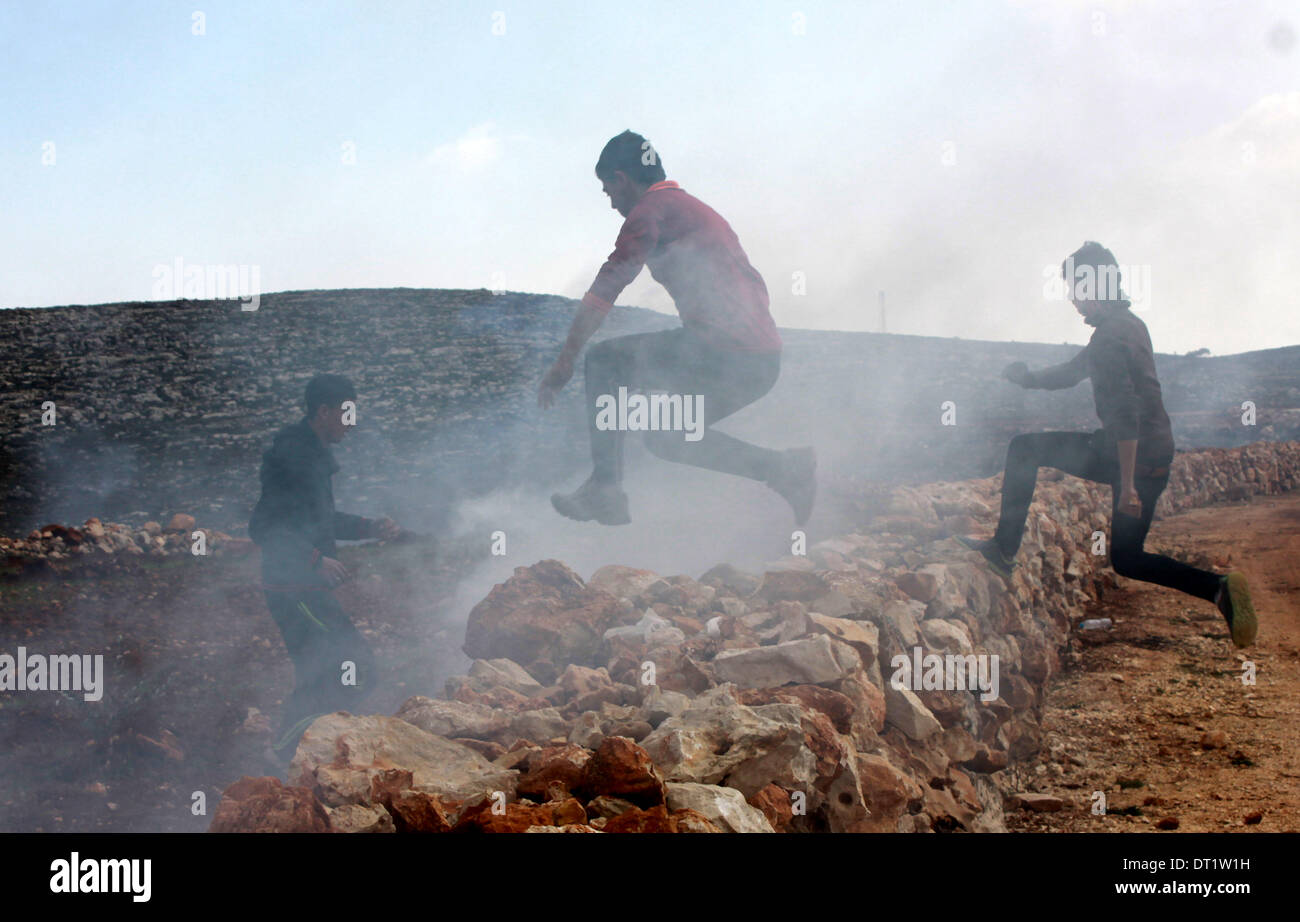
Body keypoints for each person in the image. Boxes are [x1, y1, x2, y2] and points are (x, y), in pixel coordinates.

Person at [960, 241, 1257, 648]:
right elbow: (1071, 372)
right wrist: (1026, 377)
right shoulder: (1127, 325)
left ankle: (1003, 550)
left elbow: (1125, 414)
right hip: (1155, 456)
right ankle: (1219, 589)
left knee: (1023, 449)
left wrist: (1129, 483)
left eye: (1076, 290)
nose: (1073, 300)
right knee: (1129, 558)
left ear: (1095, 286)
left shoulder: (1109, 339)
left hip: (1127, 457)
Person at [539, 130, 815, 526]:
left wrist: (565, 363)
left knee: (603, 361)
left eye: (607, 190)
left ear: (621, 179)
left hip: (726, 354)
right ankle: (787, 470)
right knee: (667, 435)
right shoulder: (690, 209)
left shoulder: (651, 210)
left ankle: (605, 490)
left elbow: (607, 287)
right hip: (760, 361)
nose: (611, 201)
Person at [248, 374, 401, 760]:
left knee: (324, 672)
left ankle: (303, 754)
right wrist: (313, 560)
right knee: (354, 667)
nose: (351, 422)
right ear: (324, 411)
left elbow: (319, 521)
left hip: (302, 587)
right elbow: (263, 526)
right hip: (294, 589)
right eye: (346, 413)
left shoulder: (308, 454)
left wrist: (369, 528)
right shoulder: (295, 457)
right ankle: (288, 753)